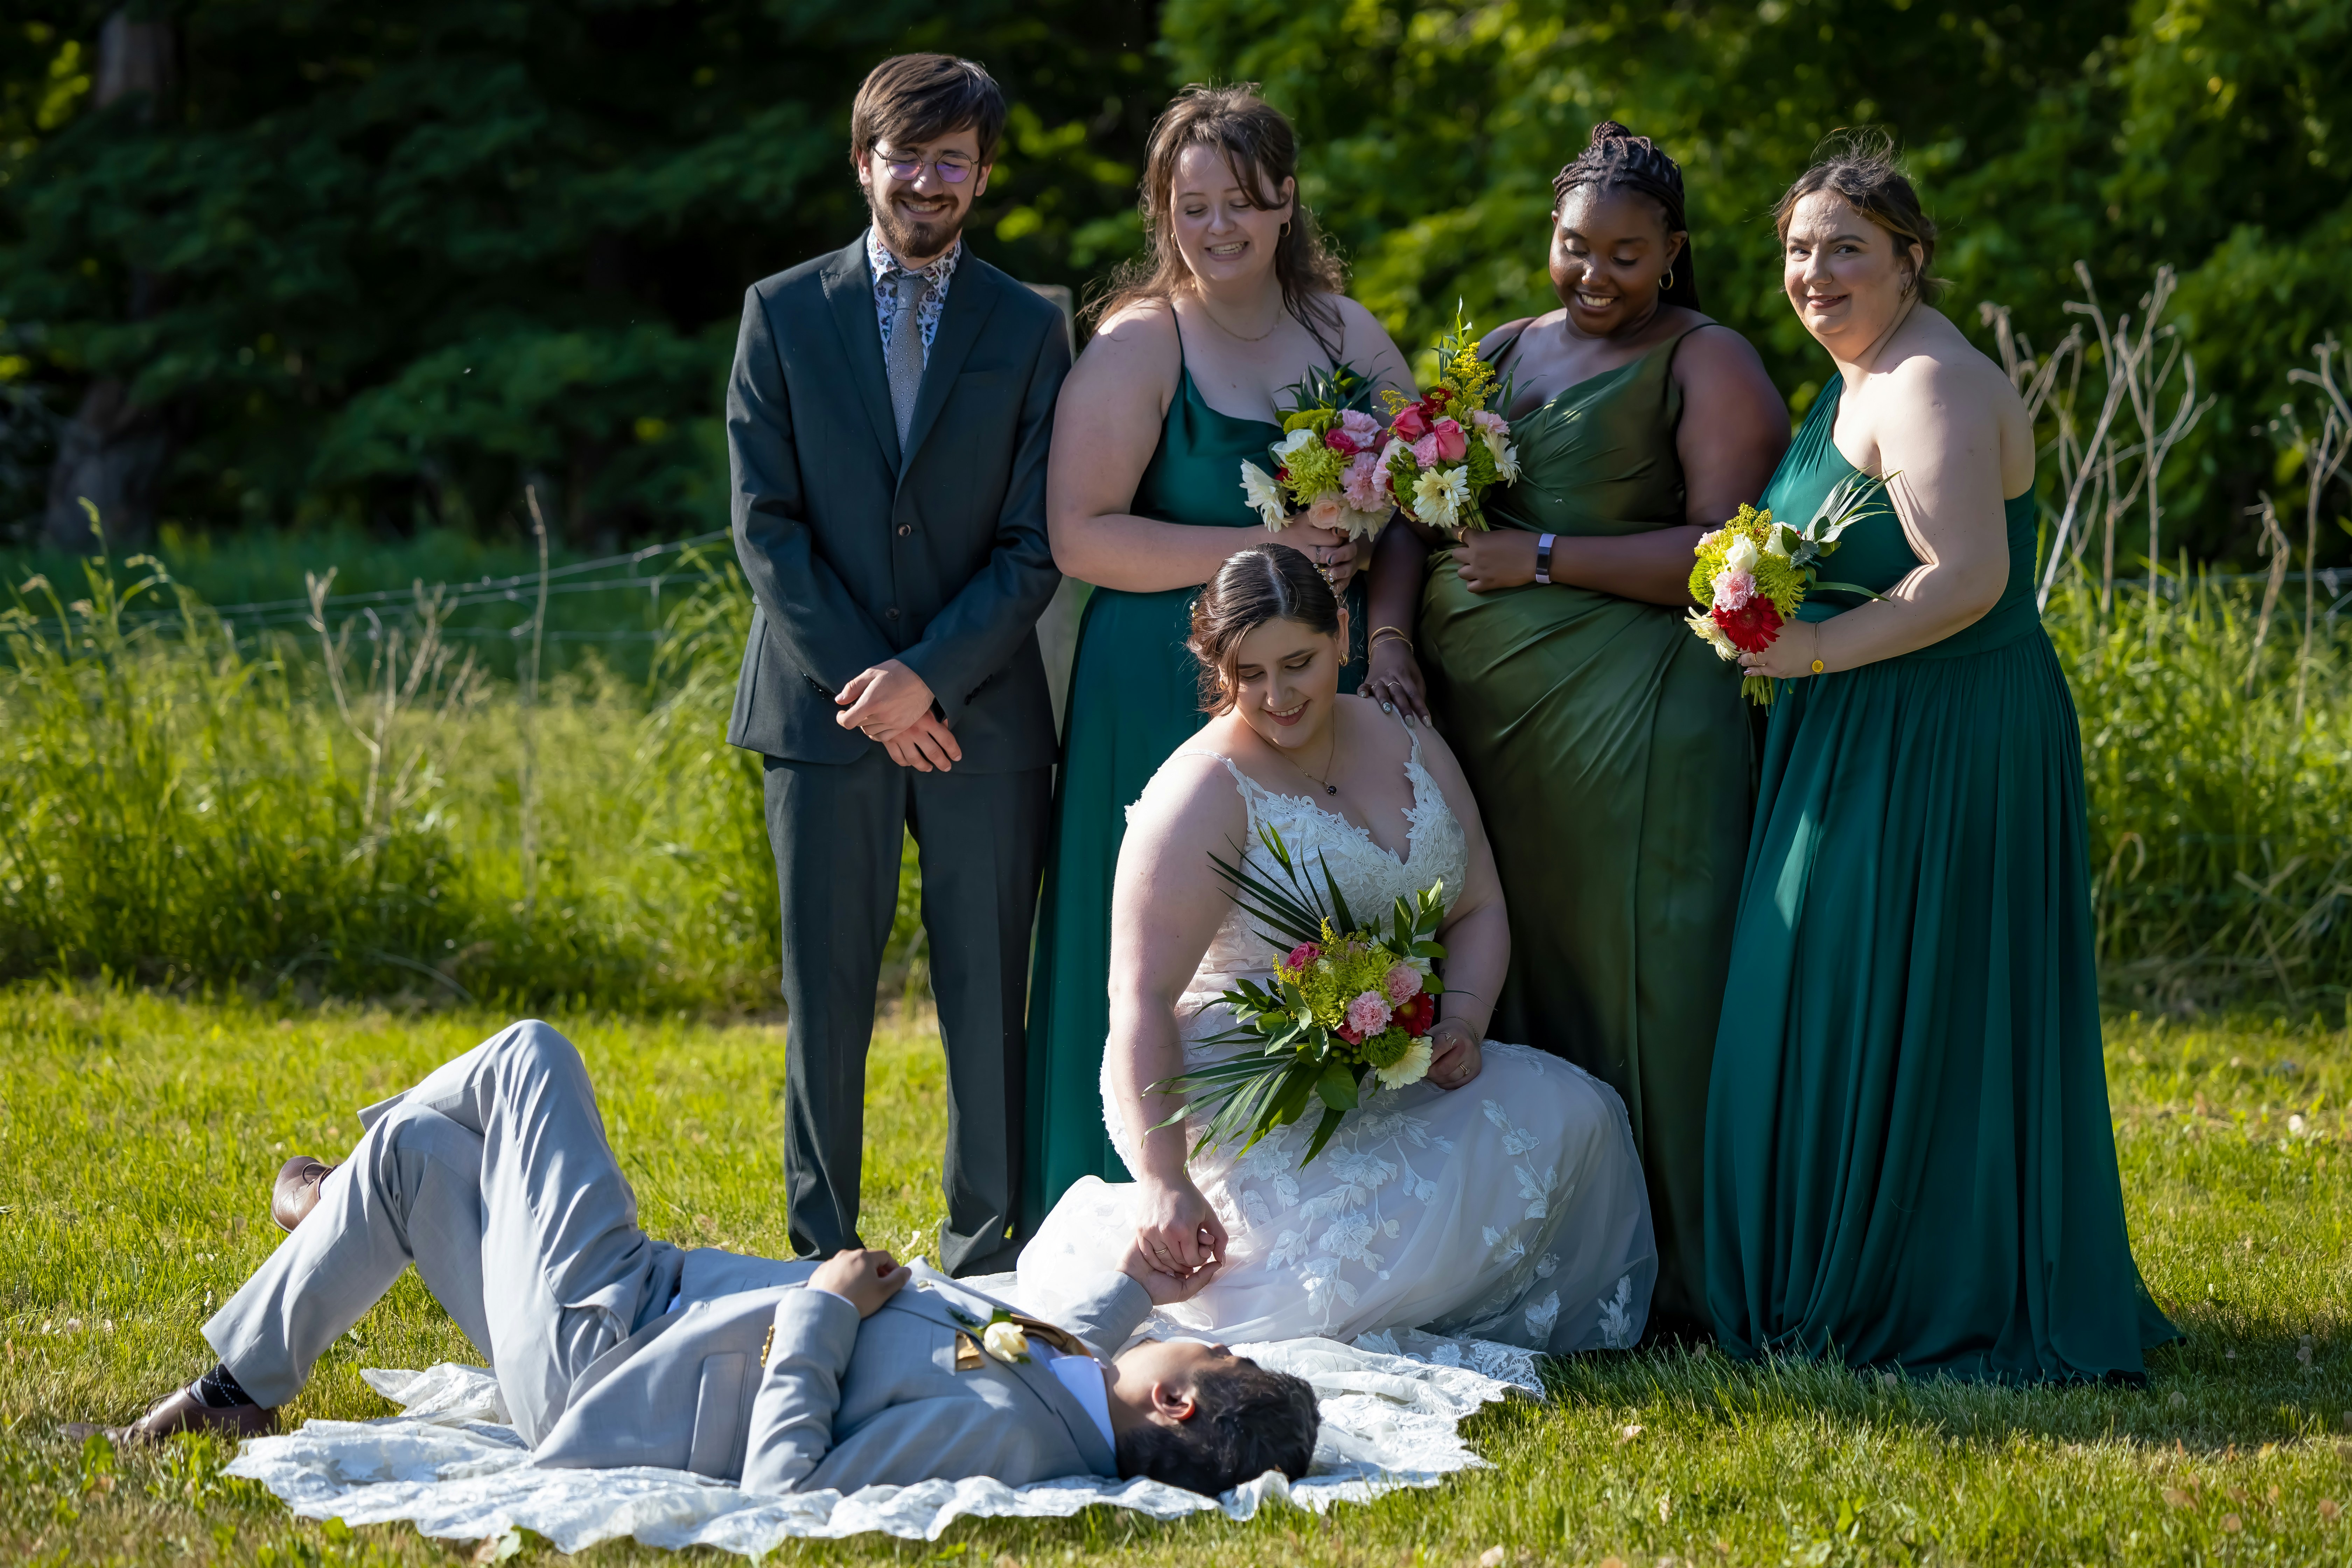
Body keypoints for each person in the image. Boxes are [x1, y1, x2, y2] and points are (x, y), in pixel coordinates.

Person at [84, 1020, 1320, 1500]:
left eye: (1204, 1340)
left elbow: (788, 1485)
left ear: (1176, 1398)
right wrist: (1140, 1286)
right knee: (417, 1147)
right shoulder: (1071, 1393)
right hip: (637, 1314)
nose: (1192, 1326)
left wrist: (826, 1313)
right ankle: (240, 1387)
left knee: (530, 1058)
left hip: (617, 1344)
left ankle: (329, 1204)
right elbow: (1027, 1329)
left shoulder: (1006, 1444)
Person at [1702, 142, 2178, 1378]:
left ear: (1910, 258)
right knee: (1823, 989)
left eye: (1848, 247)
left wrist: (1806, 651)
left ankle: (1917, 1287)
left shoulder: (1930, 384)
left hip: (1945, 733)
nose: (1816, 272)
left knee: (1902, 998)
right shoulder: (1856, 376)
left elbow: (1968, 579)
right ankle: (1835, 1273)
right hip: (1868, 721)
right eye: (1801, 248)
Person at [1357, 123, 1788, 1334]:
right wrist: (1391, 641)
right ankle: (1549, 1266)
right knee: (1519, 977)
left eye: (1627, 255)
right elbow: (1407, 519)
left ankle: (1694, 1274)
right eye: (1573, 247)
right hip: (1490, 740)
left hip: (1638, 731)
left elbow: (1727, 555)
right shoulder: (1498, 351)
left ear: (1674, 254)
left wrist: (1543, 557)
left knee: (1651, 985)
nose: (1594, 275)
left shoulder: (1709, 362)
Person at [1020, 547, 1656, 1352]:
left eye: (1299, 662)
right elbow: (1138, 1001)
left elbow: (1481, 904)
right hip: (1247, 1095)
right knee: (1314, 1284)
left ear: (1344, 634)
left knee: (1577, 1112)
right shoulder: (1199, 792)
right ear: (1213, 664)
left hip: (1391, 1063)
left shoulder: (1405, 736)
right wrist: (1164, 1180)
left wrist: (1461, 1018)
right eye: (1248, 672)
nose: (1278, 696)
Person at [1022, 85, 1416, 1230]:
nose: (1218, 228)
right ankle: (1122, 1188)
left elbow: (1423, 512)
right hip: (1161, 676)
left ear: (1288, 201)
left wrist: (1381, 617)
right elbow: (1081, 533)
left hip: (1313, 678)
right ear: (1165, 213)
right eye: (1192, 206)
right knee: (1162, 937)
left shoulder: (1348, 335)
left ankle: (1299, 1197)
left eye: (1242, 202)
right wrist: (1268, 542)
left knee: (1304, 925)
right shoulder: (1145, 341)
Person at [725, 55, 1069, 1276]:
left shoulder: (1033, 327)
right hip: (823, 716)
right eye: (906, 155)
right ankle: (823, 1252)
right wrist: (876, 686)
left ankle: (987, 1256)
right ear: (863, 158)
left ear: (981, 175)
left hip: (984, 717)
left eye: (953, 161)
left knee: (989, 999)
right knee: (827, 1003)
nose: (928, 181)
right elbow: (764, 525)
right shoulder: (781, 310)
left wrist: (933, 676)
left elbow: (1040, 541)